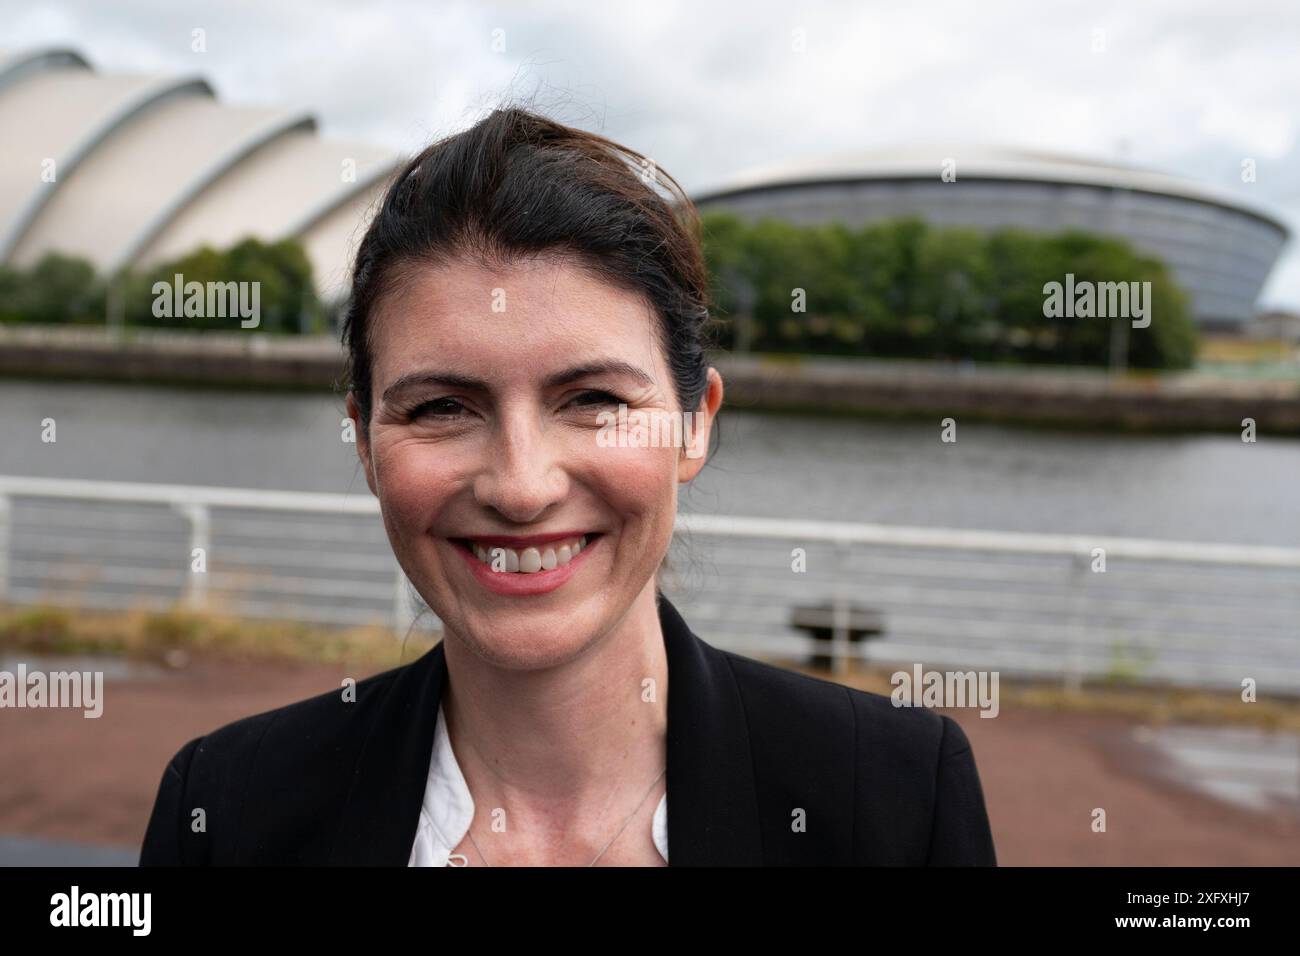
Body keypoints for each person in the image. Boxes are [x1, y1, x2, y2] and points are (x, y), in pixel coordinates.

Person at [139, 105, 996, 866]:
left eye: (592, 399)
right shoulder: (224, 815)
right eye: (442, 406)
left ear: (697, 422)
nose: (520, 486)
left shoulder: (895, 806)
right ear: (364, 441)